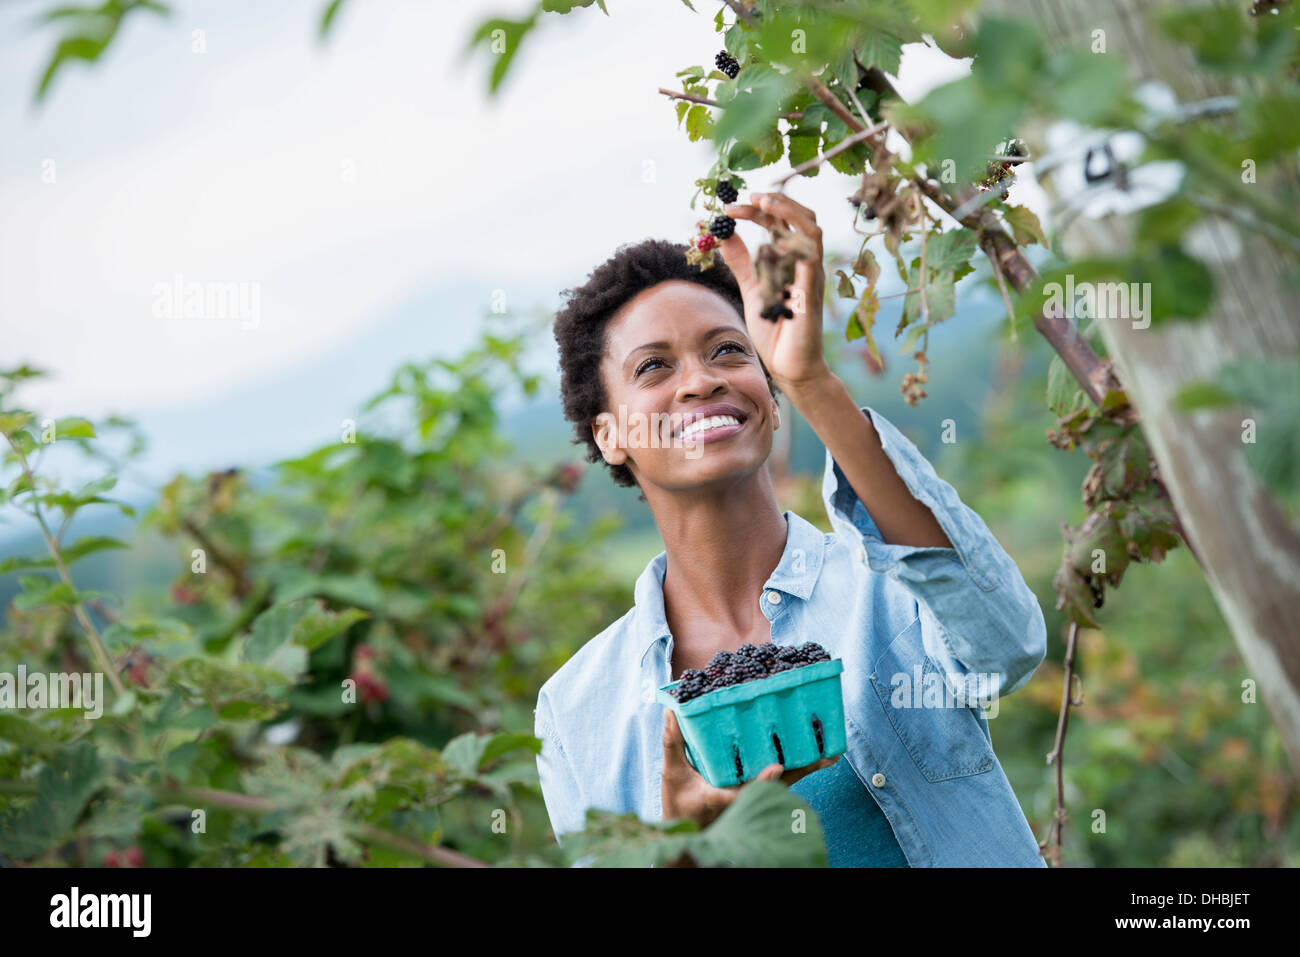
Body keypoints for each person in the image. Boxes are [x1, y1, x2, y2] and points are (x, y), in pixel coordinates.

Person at [534, 191, 1048, 867]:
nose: (701, 381)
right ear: (609, 435)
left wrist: (810, 379)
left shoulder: (887, 591)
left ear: (770, 396)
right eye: (654, 366)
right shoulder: (576, 710)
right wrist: (685, 856)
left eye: (728, 350)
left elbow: (1007, 645)